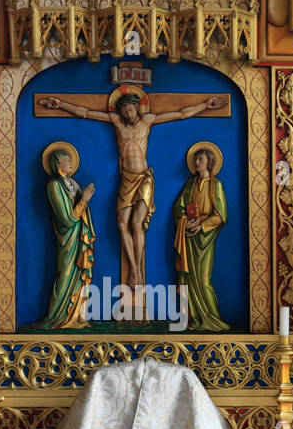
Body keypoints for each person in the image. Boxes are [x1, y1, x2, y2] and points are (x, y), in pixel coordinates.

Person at [40, 91, 225, 293]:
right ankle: (135, 269)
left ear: (136, 106)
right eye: (124, 111)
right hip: (126, 179)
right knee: (121, 225)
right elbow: (84, 112)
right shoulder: (117, 122)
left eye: (129, 110)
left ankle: (137, 273)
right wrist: (60, 104)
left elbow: (181, 113)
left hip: (144, 178)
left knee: (137, 224)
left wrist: (206, 104)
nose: (127, 114)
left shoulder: (148, 120)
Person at [172, 146, 229, 332]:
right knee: (186, 280)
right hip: (189, 236)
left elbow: (221, 215)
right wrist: (184, 222)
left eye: (200, 160)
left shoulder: (216, 185)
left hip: (205, 238)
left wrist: (201, 225)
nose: (197, 163)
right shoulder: (190, 184)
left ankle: (213, 319)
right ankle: (194, 319)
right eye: (195, 160)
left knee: (203, 281)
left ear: (209, 163)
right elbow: (178, 207)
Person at [38, 147, 95, 329]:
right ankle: (55, 317)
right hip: (67, 236)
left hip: (79, 236)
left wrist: (83, 199)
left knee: (79, 275)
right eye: (66, 160)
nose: (70, 163)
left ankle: (76, 315)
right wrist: (83, 200)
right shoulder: (54, 185)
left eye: (71, 160)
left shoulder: (73, 183)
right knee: (66, 273)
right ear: (57, 164)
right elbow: (67, 218)